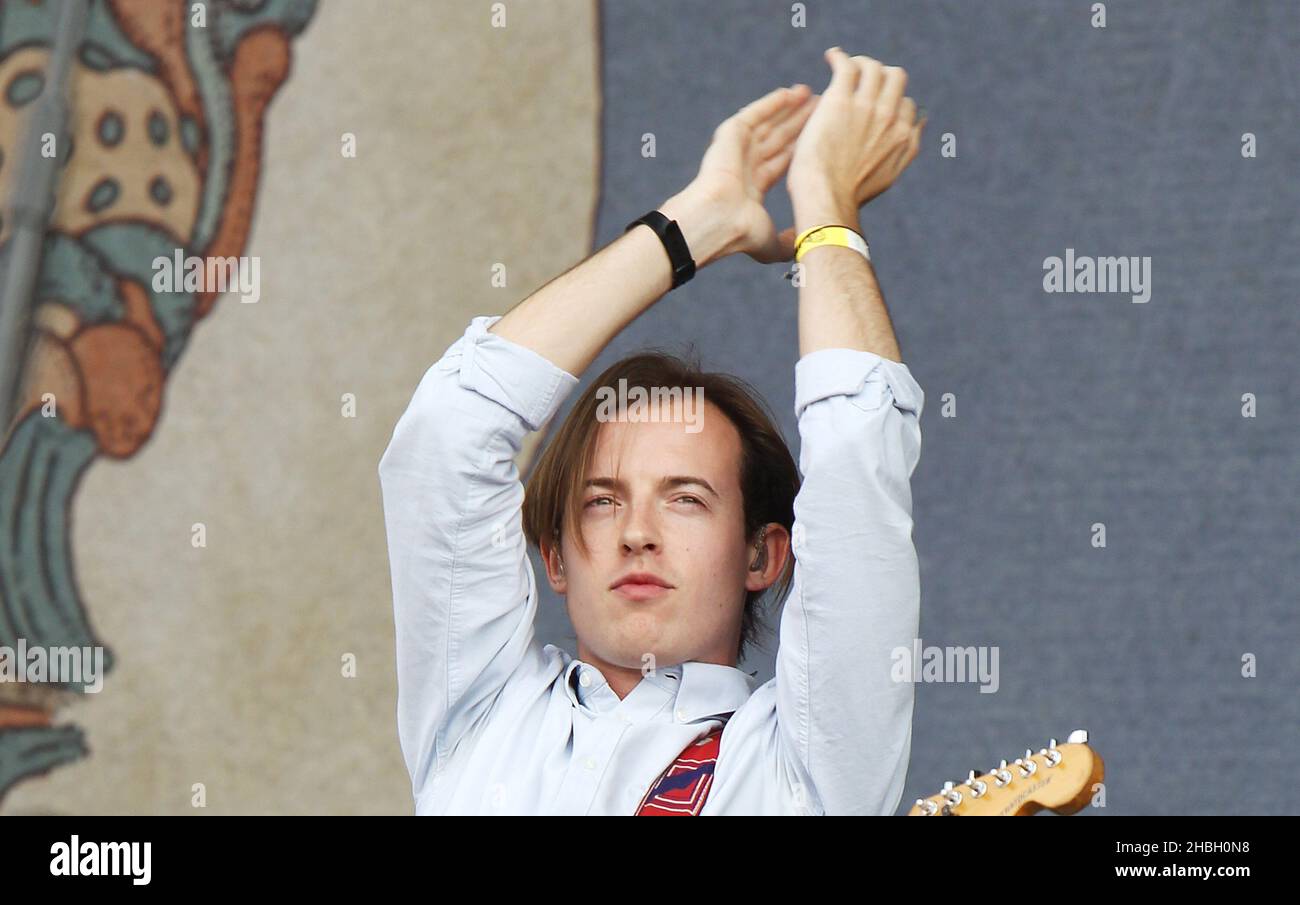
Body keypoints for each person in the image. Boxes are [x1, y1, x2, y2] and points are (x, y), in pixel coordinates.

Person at [378, 48, 926, 815]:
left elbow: (857, 462)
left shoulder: (806, 769)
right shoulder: (478, 719)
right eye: (602, 501)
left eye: (686, 498)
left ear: (762, 555)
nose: (637, 532)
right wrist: (696, 223)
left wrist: (826, 207)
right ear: (555, 556)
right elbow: (449, 429)